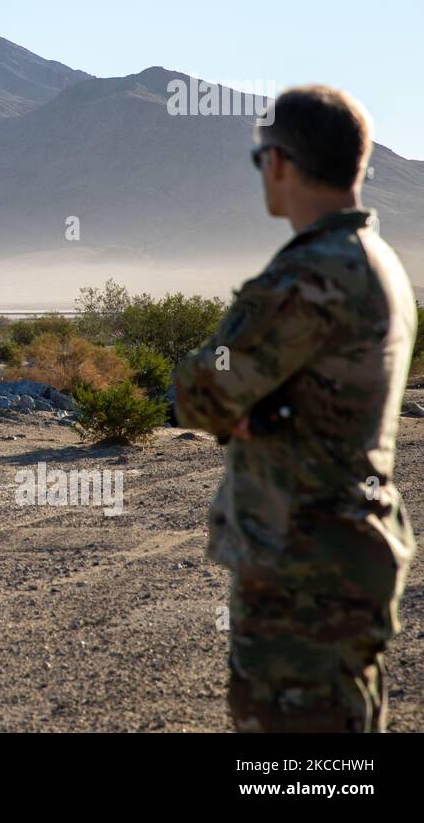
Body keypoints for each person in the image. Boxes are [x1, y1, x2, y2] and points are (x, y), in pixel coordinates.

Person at [174, 85, 417, 732]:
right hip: (346, 552)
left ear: (279, 161)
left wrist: (241, 402)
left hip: (302, 570)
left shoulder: (313, 274)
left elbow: (199, 393)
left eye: (261, 162)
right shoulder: (377, 261)